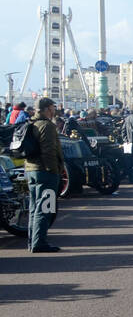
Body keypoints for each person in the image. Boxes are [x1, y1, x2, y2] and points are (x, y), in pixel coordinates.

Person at [25, 97, 64, 252]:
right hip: (45, 172)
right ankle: (39, 242)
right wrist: (53, 170)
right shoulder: (46, 126)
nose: (54, 110)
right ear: (48, 108)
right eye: (53, 107)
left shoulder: (31, 123)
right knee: (45, 209)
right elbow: (49, 151)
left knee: (34, 208)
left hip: (31, 170)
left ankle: (32, 241)